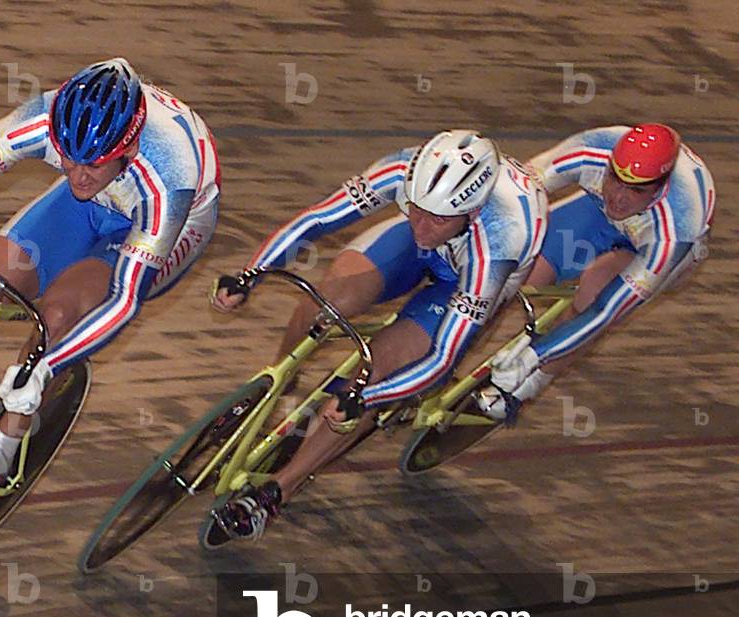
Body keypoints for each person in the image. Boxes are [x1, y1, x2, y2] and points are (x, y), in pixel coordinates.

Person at [0, 58, 220, 510]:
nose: (78, 173)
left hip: (162, 224)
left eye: (94, 164)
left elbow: (125, 300)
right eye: (68, 158)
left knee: (59, 316)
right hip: (89, 205)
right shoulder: (47, 122)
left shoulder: (169, 180)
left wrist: (43, 369)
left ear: (129, 150)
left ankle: (2, 449)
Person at [210, 130, 548, 541]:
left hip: (463, 281)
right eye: (416, 208)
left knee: (378, 369)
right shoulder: (403, 172)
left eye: (437, 217)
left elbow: (442, 356)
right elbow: (317, 218)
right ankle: (275, 394)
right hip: (428, 247)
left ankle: (280, 489)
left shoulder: (498, 243)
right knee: (324, 305)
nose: (422, 223)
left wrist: (364, 399)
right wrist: (251, 273)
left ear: (472, 212)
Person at [481, 124, 715, 417]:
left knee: (592, 295)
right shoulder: (593, 148)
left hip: (652, 242)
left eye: (635, 189)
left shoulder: (676, 229)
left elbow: (605, 312)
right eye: (615, 179)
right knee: (514, 273)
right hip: (597, 211)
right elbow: (516, 196)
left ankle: (529, 387)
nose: (619, 196)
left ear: (660, 188)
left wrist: (533, 358)